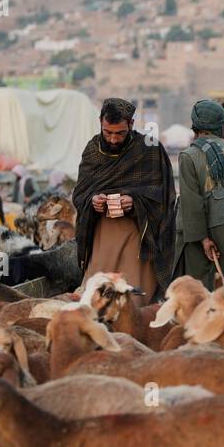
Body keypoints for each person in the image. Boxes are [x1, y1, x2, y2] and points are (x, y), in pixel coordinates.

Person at [72, 97, 177, 303]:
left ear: (131, 124)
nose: (112, 139)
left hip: (138, 237)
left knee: (132, 301)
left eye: (119, 133)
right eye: (107, 132)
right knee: (97, 297)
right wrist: (93, 201)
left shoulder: (149, 149)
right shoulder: (93, 150)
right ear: (100, 123)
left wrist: (135, 201)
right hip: (103, 236)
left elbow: (163, 195)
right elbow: (80, 193)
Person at [174, 99, 224, 289]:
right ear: (220, 125)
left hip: (203, 230)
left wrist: (204, 239)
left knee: (201, 285)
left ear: (195, 126)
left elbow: (191, 204)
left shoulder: (189, 156)